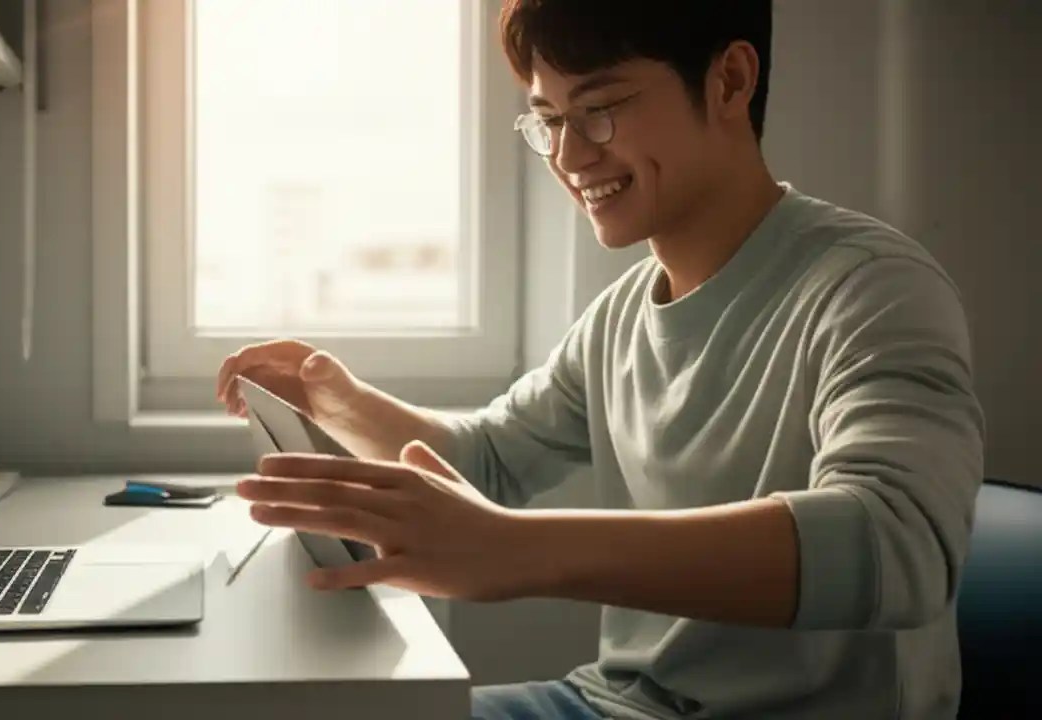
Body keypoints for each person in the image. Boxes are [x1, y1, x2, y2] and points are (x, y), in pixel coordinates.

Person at [216, 1, 986, 718]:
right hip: (619, 702)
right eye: (548, 118)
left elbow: (898, 542)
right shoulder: (619, 318)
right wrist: (334, 397)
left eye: (601, 110)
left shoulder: (873, 289)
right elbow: (484, 462)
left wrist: (519, 551)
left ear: (730, 81)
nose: (567, 154)